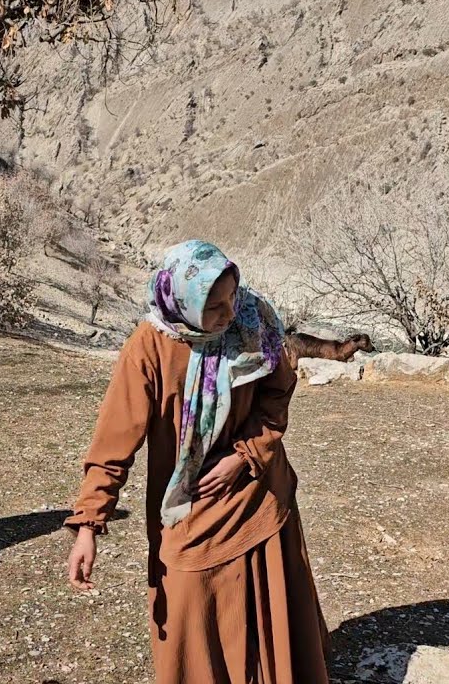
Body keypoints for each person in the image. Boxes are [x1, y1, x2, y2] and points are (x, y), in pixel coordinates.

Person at [65, 240, 329, 683]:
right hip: (189, 504)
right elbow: (114, 441)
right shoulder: (149, 348)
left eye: (231, 296)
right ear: (180, 301)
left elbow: (277, 391)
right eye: (214, 305)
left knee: (270, 612)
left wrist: (244, 456)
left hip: (257, 489)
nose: (229, 313)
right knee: (189, 601)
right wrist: (89, 525)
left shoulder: (252, 319)